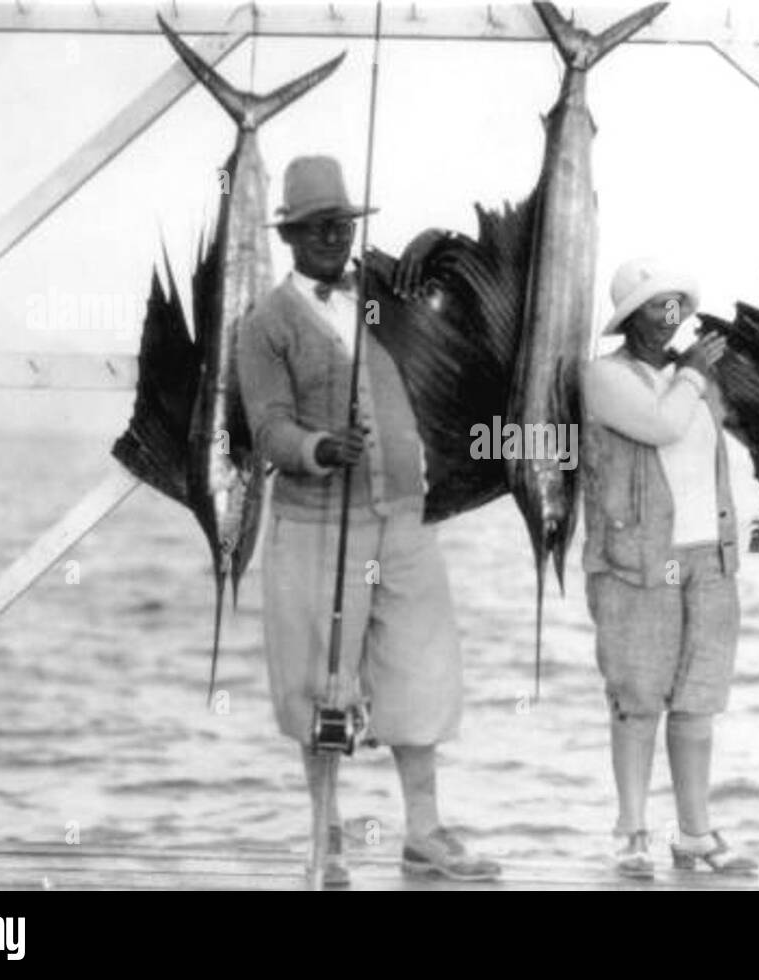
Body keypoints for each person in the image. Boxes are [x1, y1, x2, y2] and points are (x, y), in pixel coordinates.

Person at [237, 156, 501, 886]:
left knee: (421, 677)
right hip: (317, 525)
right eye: (318, 227)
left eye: (342, 225)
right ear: (289, 236)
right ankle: (325, 840)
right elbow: (268, 427)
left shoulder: (377, 303)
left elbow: (446, 302)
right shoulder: (265, 324)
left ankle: (424, 834)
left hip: (405, 522)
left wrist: (433, 246)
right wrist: (318, 448)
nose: (333, 237)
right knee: (318, 689)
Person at [580, 257, 755, 879]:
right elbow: (660, 426)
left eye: (678, 303)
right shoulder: (605, 376)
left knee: (696, 704)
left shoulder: (695, 376)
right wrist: (694, 374)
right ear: (632, 318)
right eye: (659, 305)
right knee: (636, 701)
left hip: (709, 558)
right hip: (637, 564)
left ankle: (695, 833)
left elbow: (728, 430)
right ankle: (630, 834)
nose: (672, 315)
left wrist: (710, 377)